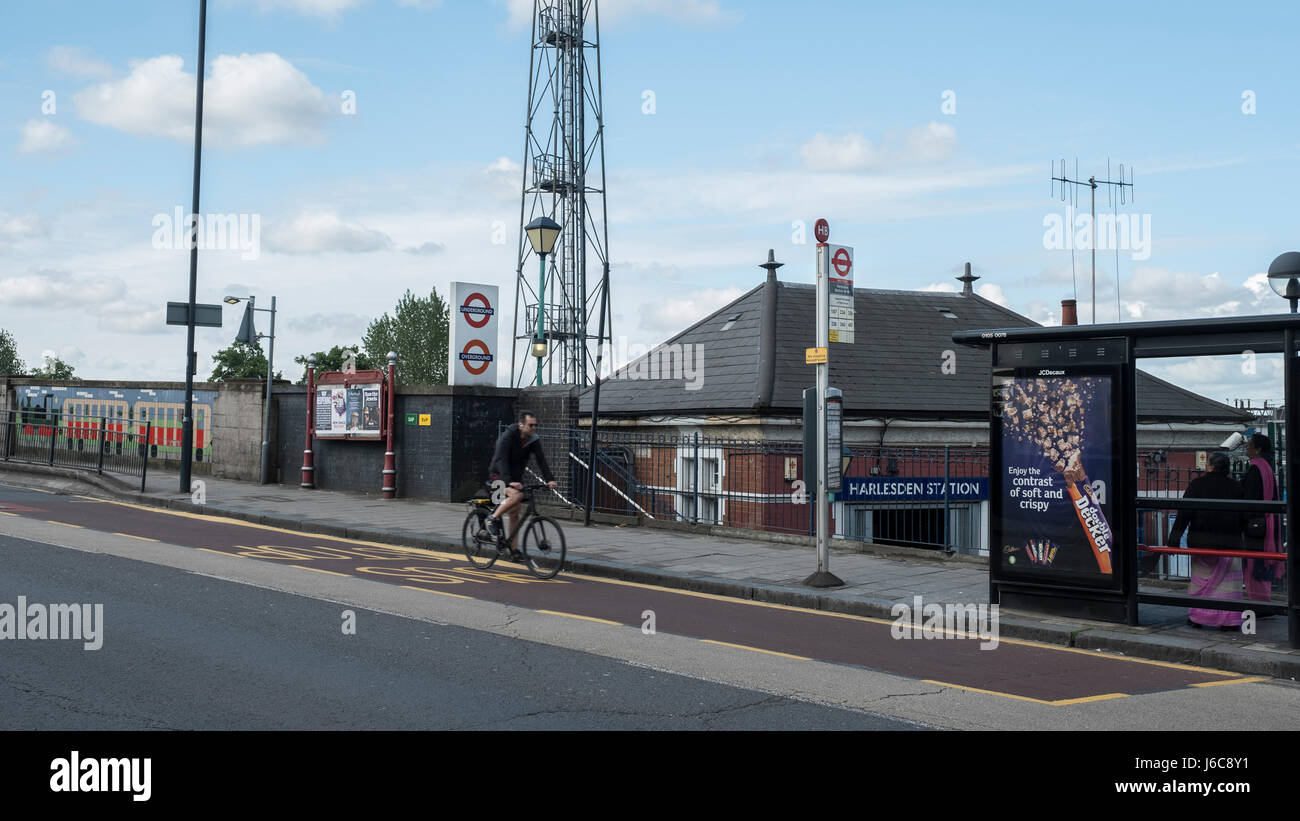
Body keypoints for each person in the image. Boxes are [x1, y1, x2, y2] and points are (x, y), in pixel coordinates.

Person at [1166, 451, 1244, 629]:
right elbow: (1244, 517)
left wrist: (1173, 541)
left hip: (1202, 543)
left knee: (1200, 580)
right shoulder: (1236, 487)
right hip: (1229, 544)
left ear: (1210, 466)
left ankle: (1199, 617)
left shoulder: (1197, 485)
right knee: (1228, 586)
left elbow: (1183, 514)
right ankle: (1229, 620)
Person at [485, 411, 556, 560]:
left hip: (515, 477)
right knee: (516, 495)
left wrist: (549, 479)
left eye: (535, 425)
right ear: (521, 424)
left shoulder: (532, 439)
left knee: (515, 513)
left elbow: (541, 460)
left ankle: (514, 550)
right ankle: (492, 518)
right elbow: (501, 461)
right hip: (498, 475)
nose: (533, 428)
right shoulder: (507, 437)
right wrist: (508, 482)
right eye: (531, 425)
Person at [1241, 433, 1282, 604]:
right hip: (1268, 523)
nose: (1246, 448)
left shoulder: (1255, 469)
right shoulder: (1266, 467)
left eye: (1249, 445)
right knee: (1261, 564)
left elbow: (1249, 498)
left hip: (1256, 526)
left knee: (1255, 564)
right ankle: (1262, 601)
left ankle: (1259, 603)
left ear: (1257, 449)